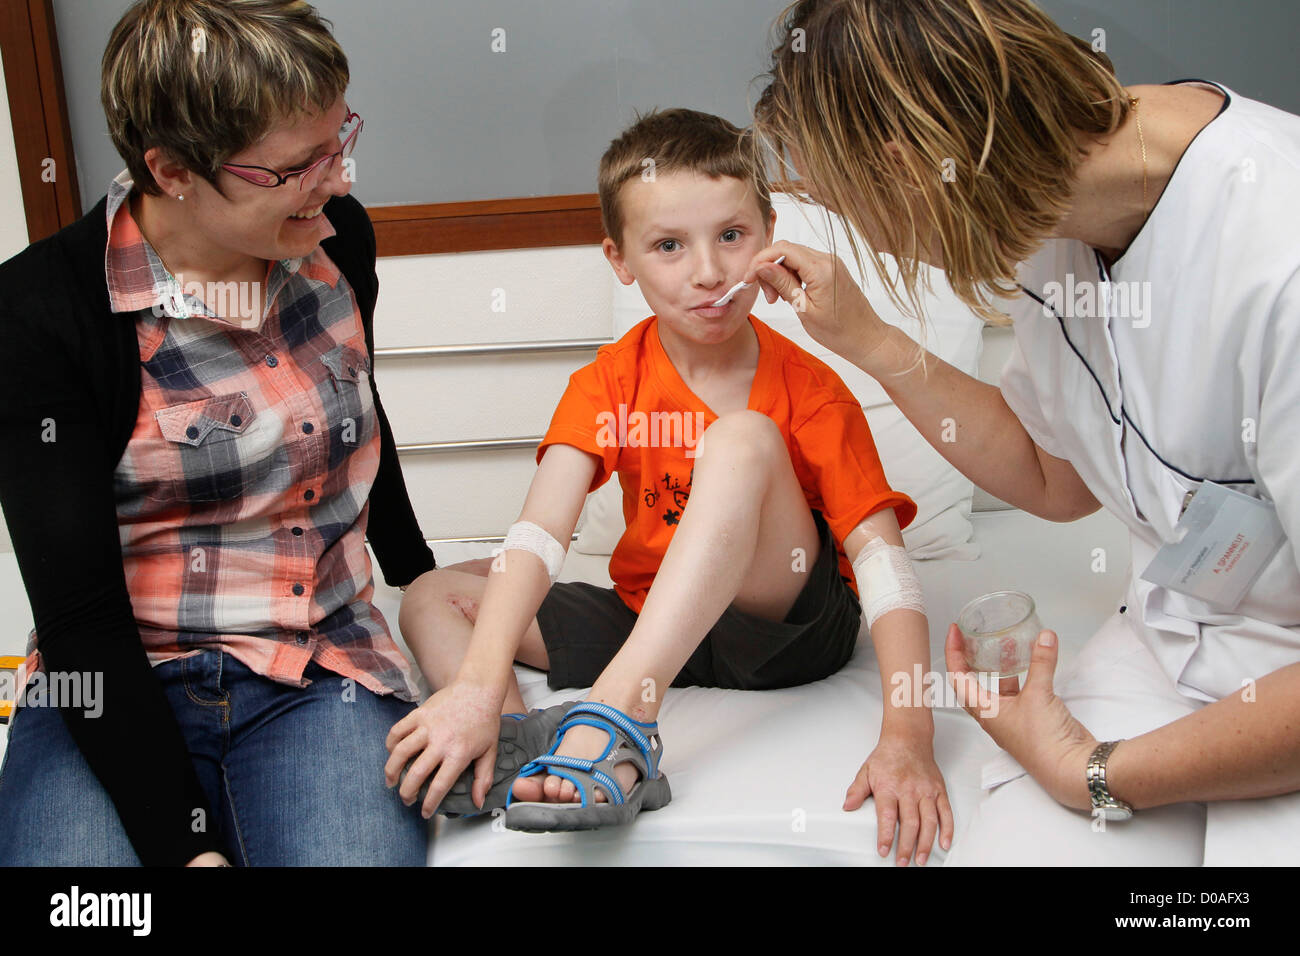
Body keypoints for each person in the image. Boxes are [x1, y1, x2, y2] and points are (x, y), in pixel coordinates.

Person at [747, 0, 1300, 863]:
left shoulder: (1279, 255)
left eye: (853, 206)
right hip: (1174, 643)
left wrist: (1092, 770)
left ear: (911, 169)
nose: (869, 234)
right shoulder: (1052, 212)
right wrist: (871, 341)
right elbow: (1055, 476)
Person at [389, 108, 955, 864]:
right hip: (652, 618)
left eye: (731, 236)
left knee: (743, 437)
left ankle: (620, 713)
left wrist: (909, 739)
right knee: (432, 593)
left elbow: (884, 563)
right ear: (620, 260)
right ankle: (521, 740)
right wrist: (478, 690)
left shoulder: (810, 390)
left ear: (768, 234)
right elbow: (537, 536)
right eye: (667, 246)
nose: (708, 272)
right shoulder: (608, 381)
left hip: (780, 630)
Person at [0, 0, 434, 866]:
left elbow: (358, 426)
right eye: (297, 167)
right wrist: (180, 849)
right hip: (117, 677)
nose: (341, 180)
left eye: (339, 139)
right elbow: (79, 610)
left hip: (321, 671)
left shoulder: (336, 238)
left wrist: (424, 588)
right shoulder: (39, 313)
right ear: (172, 171)